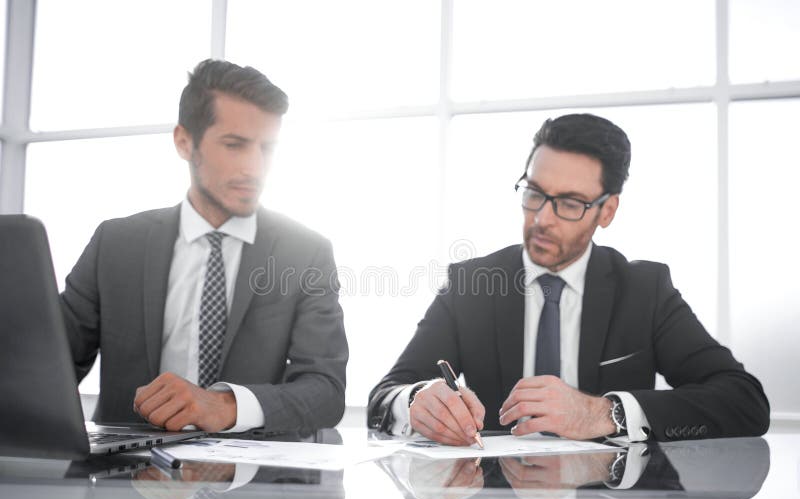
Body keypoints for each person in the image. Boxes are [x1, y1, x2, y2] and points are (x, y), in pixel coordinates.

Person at [368, 113, 769, 445]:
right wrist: (417, 399)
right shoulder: (470, 284)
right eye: (534, 193)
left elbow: (744, 400)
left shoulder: (645, 290)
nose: (542, 218)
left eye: (570, 203)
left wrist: (603, 412)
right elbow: (386, 394)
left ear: (607, 211)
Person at [60, 59, 348, 434]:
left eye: (268, 148)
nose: (255, 167)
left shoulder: (305, 253)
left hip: (251, 480)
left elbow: (325, 392)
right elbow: (49, 366)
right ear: (184, 142)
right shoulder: (116, 245)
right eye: (235, 145)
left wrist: (225, 405)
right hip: (126, 477)